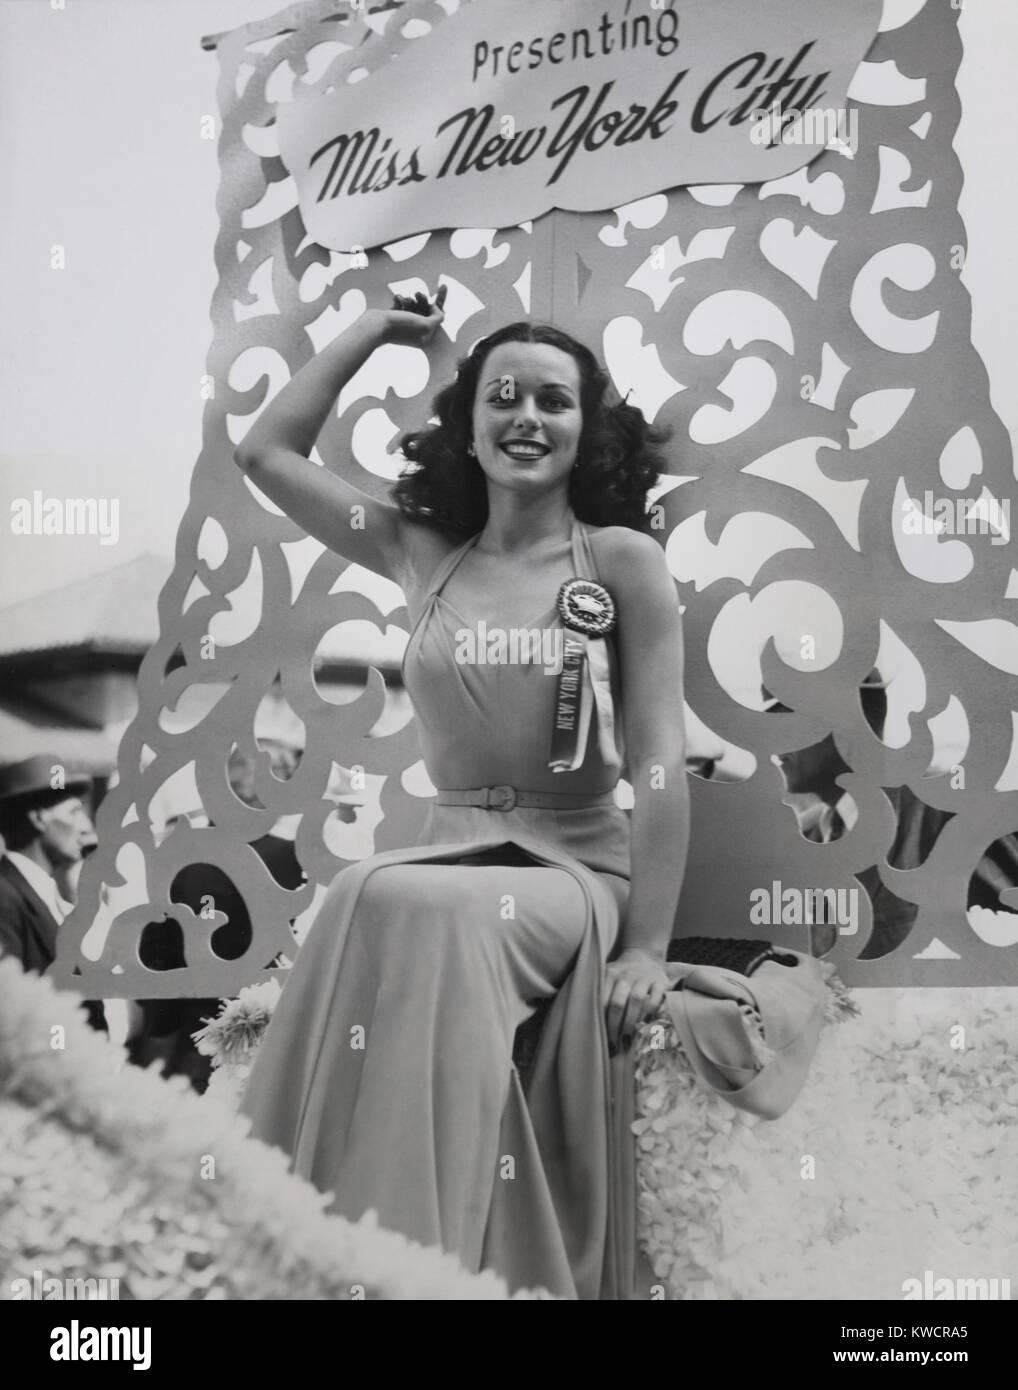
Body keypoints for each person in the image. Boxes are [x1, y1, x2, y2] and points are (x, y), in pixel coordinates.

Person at [233, 287, 689, 1299]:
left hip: (573, 866)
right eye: (503, 398)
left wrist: (647, 946)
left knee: (405, 897)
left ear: (587, 428)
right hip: (453, 852)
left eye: (554, 401)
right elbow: (264, 453)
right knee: (368, 892)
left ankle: (413, 1269)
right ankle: (284, 1243)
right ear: (469, 424)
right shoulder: (419, 553)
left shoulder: (622, 562)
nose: (528, 417)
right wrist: (376, 328)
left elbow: (658, 758)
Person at [0, 753, 107, 1032]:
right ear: (37, 818)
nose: (87, 829)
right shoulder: (5, 896)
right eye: (74, 812)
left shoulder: (46, 893)